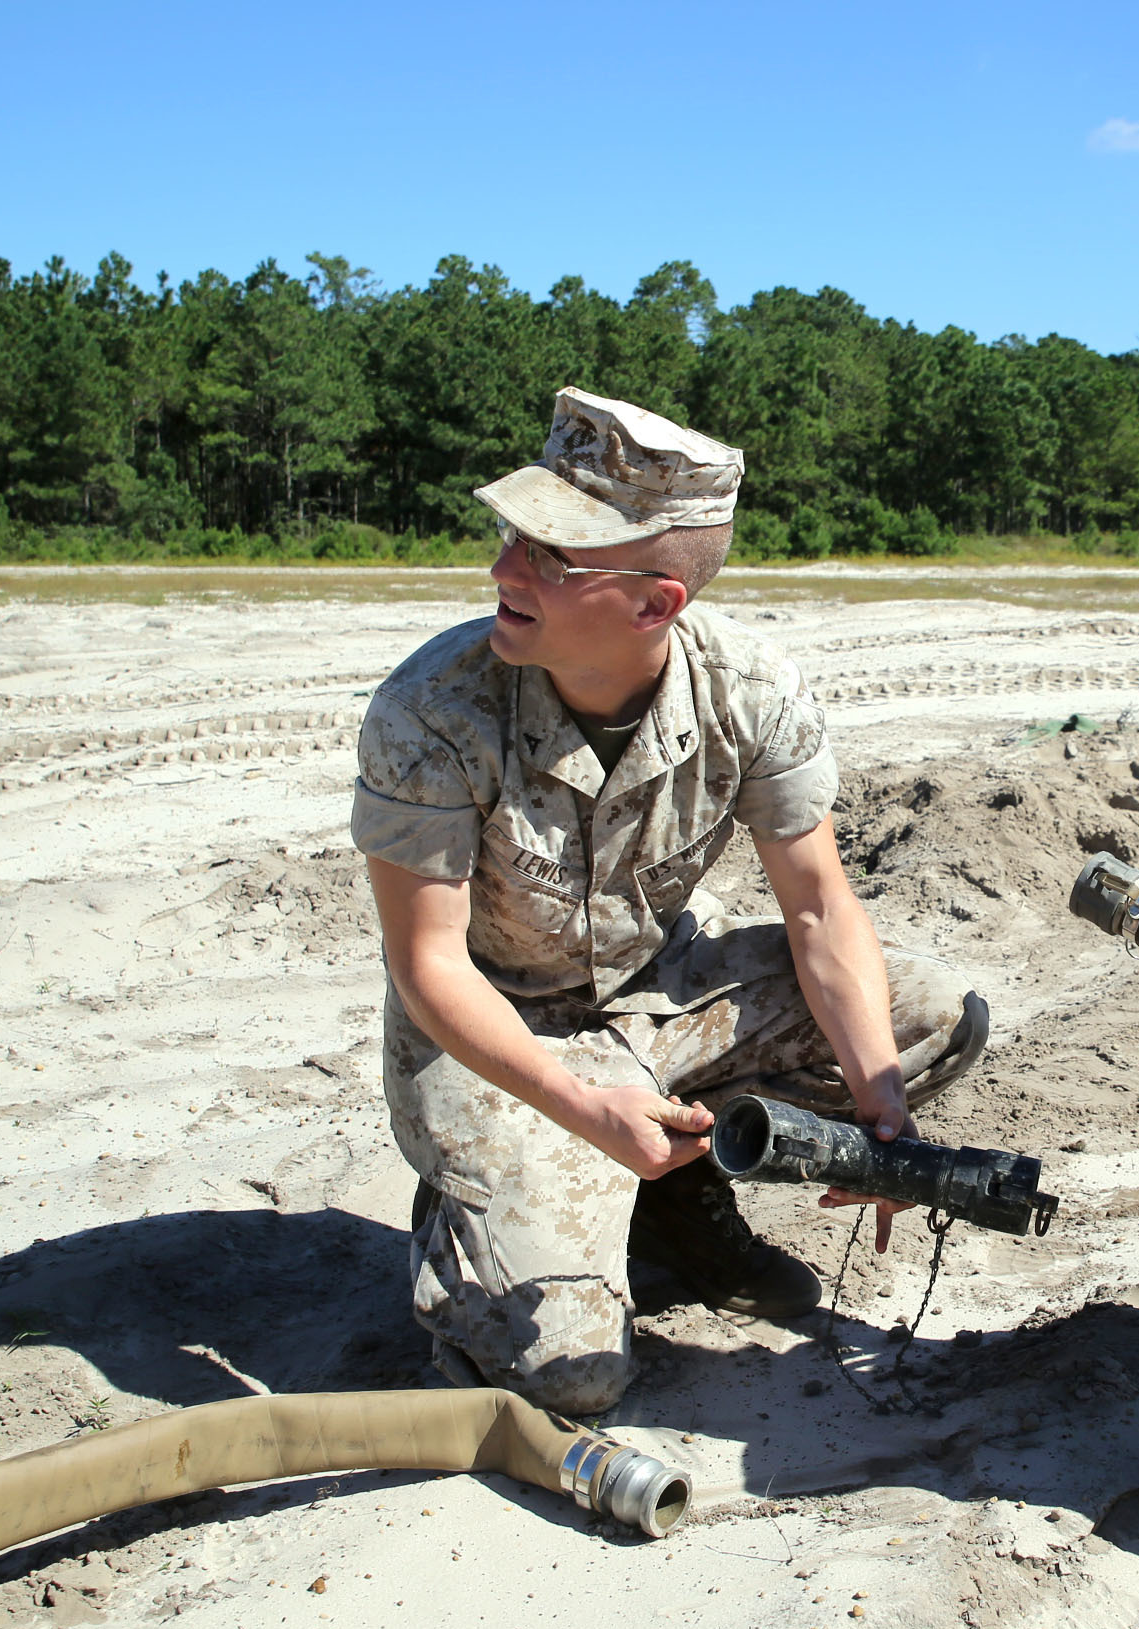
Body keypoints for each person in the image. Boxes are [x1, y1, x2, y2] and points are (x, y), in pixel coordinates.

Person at [353, 387, 989, 1414]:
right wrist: (582, 1108)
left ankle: (674, 1197)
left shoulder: (751, 691)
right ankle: (489, 1210)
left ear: (655, 604)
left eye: (552, 557)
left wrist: (881, 1112)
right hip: (496, 1029)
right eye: (511, 533)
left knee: (925, 1018)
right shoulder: (431, 709)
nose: (502, 570)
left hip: (658, 1006)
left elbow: (820, 909)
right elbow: (426, 967)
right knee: (568, 1377)